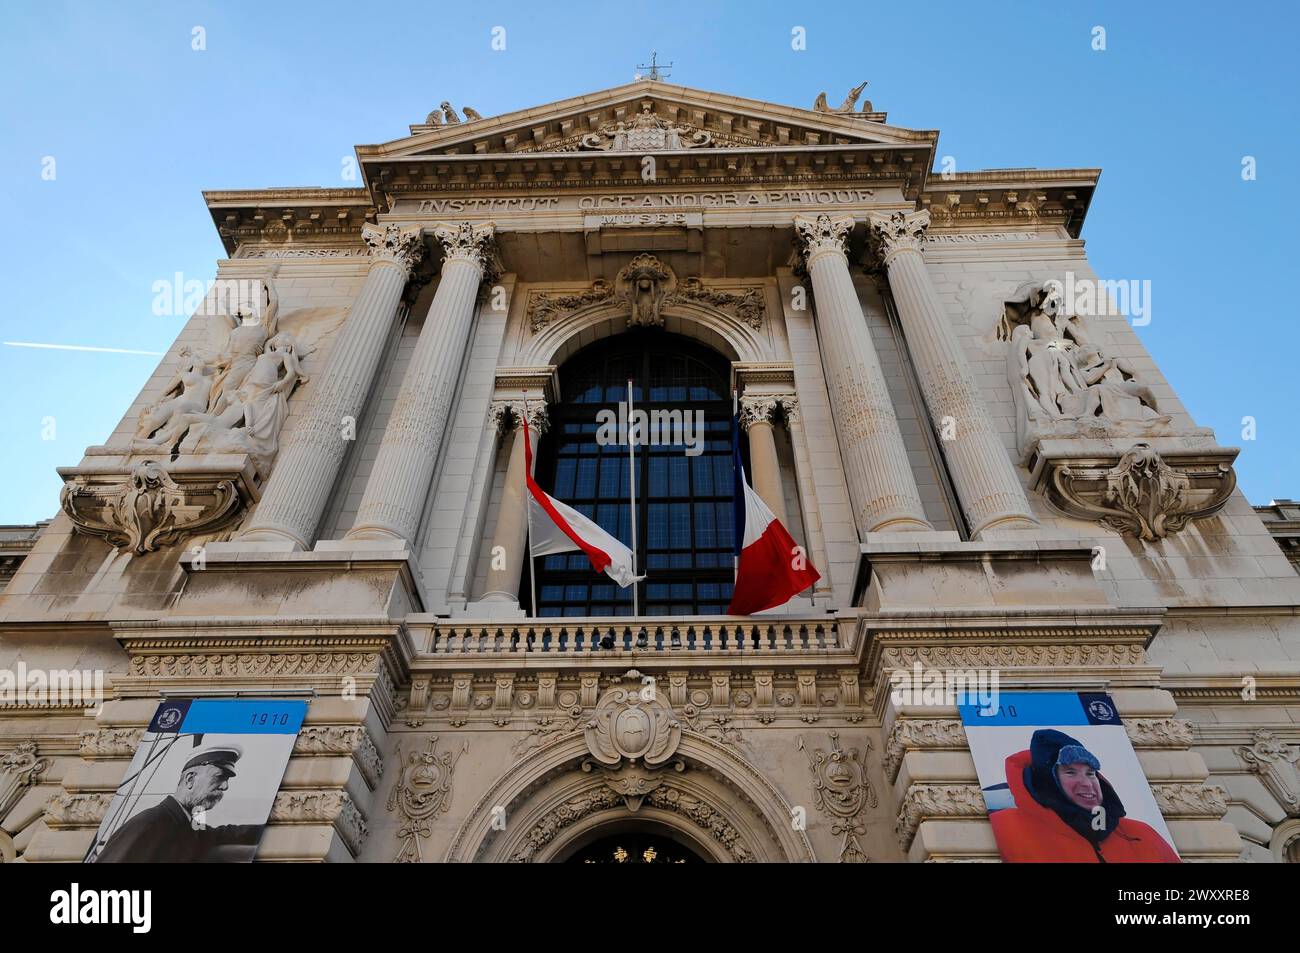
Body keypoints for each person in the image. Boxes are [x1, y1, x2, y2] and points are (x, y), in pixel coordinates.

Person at [989, 728, 1179, 863]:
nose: (1087, 783)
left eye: (1090, 773)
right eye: (1070, 772)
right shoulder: (1005, 828)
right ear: (1047, 781)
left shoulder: (1142, 834)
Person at [92, 746, 263, 863]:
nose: (225, 786)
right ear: (190, 779)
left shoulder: (187, 822)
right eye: (219, 777)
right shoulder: (151, 823)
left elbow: (219, 835)